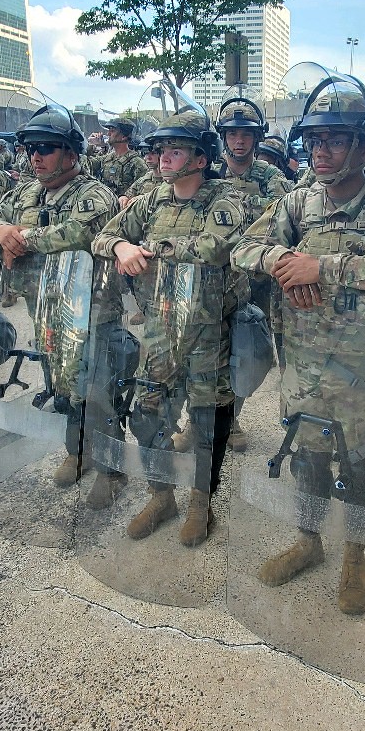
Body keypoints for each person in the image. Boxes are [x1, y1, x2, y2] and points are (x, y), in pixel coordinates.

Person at [233, 66, 365, 615]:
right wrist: (283, 262)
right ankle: (309, 541)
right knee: (307, 459)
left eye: (335, 140)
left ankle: (355, 554)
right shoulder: (297, 204)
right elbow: (242, 248)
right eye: (315, 140)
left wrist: (324, 268)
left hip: (362, 371)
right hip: (302, 365)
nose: (320, 152)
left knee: (358, 466)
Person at [91, 108, 247, 545]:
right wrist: (122, 245)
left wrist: (151, 247)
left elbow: (216, 247)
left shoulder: (225, 200)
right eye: (161, 150)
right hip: (159, 330)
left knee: (205, 421)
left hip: (207, 333)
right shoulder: (151, 200)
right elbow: (101, 236)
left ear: (200, 159)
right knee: (147, 416)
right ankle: (161, 496)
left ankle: (202, 502)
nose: (163, 158)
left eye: (175, 151)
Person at [0, 104, 118, 490]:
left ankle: (110, 469)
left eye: (47, 147)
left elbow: (79, 232)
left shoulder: (93, 194)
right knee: (61, 386)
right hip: (43, 310)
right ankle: (78, 451)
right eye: (31, 148)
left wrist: (21, 239)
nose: (36, 156)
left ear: (71, 153)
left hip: (89, 312)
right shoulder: (25, 192)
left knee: (97, 391)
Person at [213, 93, 294, 453]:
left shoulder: (272, 179)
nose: (239, 140)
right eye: (232, 134)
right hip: (213, 278)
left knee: (242, 353)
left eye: (246, 134)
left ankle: (232, 421)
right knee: (204, 350)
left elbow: (287, 220)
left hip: (257, 284)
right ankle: (202, 420)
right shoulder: (209, 173)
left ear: (256, 137)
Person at [88, 118, 149, 198]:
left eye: (112, 131)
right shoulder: (107, 158)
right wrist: (90, 144)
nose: (108, 133)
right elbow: (85, 164)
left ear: (124, 136)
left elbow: (143, 193)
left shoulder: (137, 163)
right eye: (109, 130)